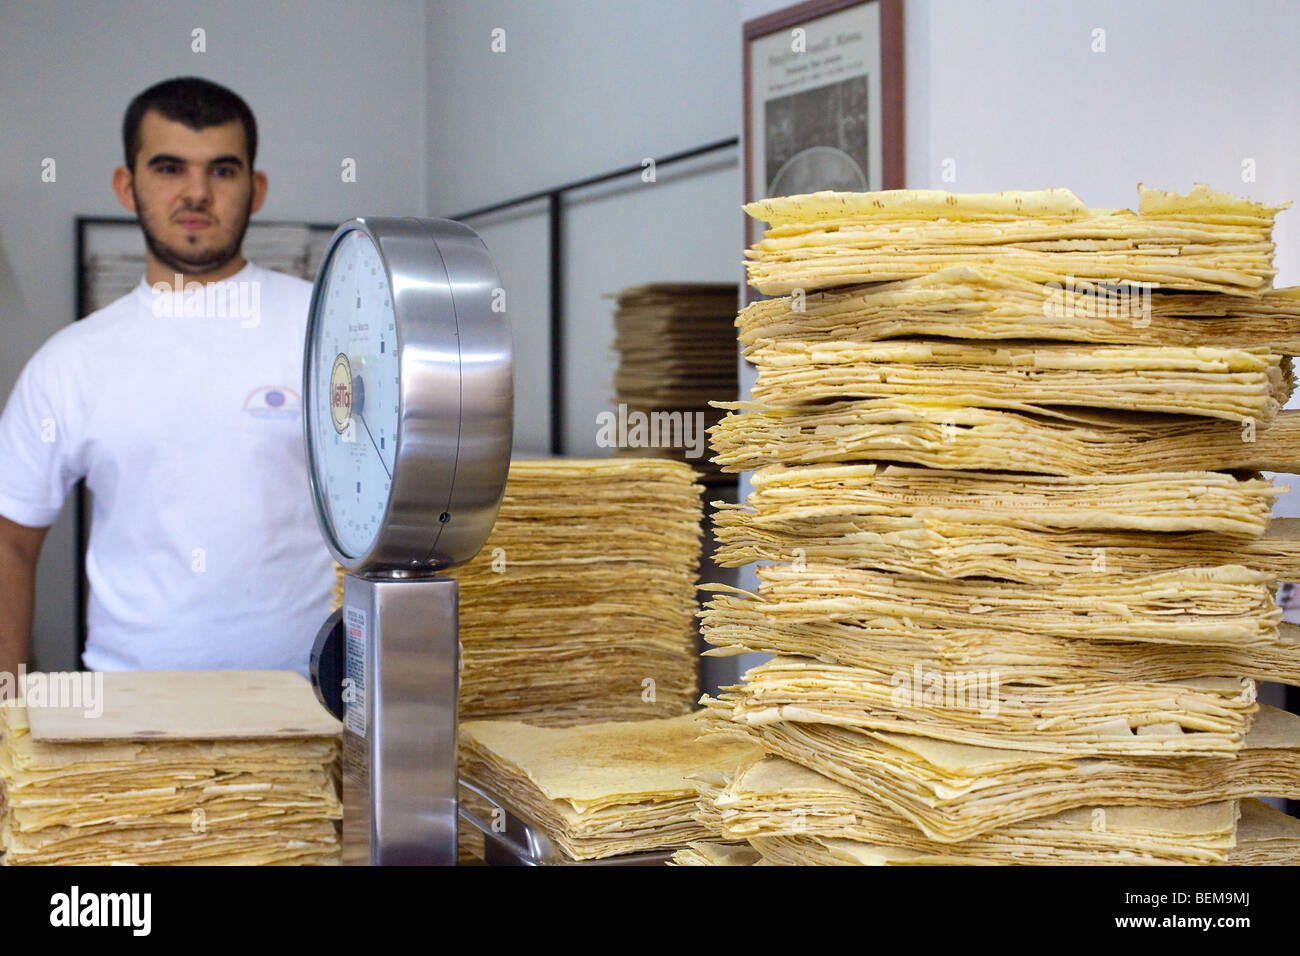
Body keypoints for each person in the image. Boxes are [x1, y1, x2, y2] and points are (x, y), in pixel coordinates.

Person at [0, 77, 333, 679]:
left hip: (310, 703)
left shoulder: (328, 329)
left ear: (255, 189)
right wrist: (5, 719)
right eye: (170, 168)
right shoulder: (71, 362)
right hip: (130, 707)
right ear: (127, 186)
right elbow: (10, 543)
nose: (197, 193)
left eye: (223, 171)